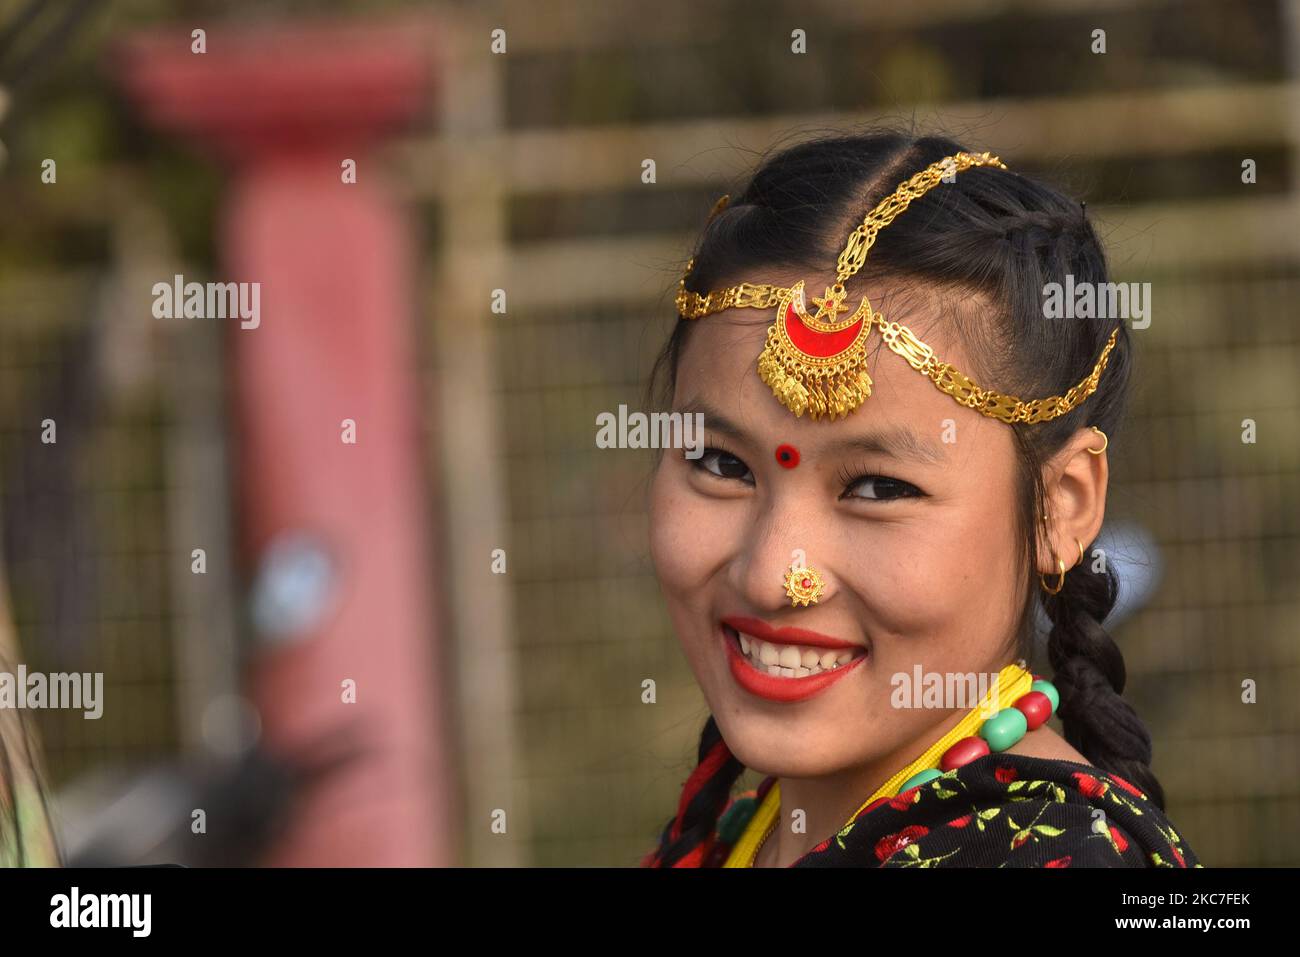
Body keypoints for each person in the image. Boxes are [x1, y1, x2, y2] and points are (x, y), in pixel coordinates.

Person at [640, 131, 1200, 868]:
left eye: (878, 487)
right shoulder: (739, 831)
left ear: (1060, 508)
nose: (774, 573)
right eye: (721, 464)